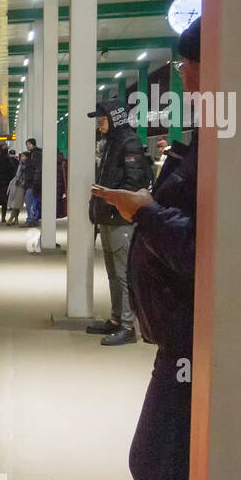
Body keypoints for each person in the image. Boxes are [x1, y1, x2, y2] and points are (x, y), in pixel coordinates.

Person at [91, 17, 200, 480]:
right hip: (182, 334)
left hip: (202, 337)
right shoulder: (207, 140)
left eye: (189, 63)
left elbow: (207, 247)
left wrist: (143, 211)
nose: (183, 74)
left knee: (154, 461)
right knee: (172, 462)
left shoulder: (231, 143)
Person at [86, 101, 150, 346]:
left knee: (123, 275)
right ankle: (116, 319)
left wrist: (114, 204)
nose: (99, 124)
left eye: (102, 120)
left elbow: (134, 182)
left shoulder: (129, 142)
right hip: (108, 217)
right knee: (113, 273)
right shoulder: (112, 143)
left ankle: (128, 326)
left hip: (120, 219)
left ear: (115, 118)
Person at [22, 138, 43, 225]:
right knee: (33, 202)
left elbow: (34, 168)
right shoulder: (34, 153)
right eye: (27, 144)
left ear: (33, 144)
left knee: (30, 202)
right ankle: (32, 219)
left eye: (29, 144)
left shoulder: (35, 154)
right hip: (34, 182)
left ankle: (31, 220)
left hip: (32, 183)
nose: (27, 146)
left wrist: (26, 161)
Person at [5, 153, 27, 225]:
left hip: (19, 185)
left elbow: (19, 175)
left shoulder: (24, 165)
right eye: (22, 156)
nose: (22, 158)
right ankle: (16, 219)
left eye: (23, 156)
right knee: (17, 203)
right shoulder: (21, 164)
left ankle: (11, 219)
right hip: (18, 185)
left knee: (16, 203)